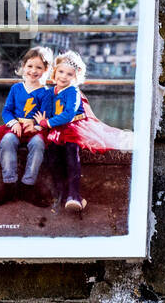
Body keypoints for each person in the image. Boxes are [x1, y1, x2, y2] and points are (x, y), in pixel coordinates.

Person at [34, 51, 128, 213]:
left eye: (69, 74)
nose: (64, 77)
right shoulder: (50, 92)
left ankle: (74, 194)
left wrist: (47, 122)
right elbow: (45, 109)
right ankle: (61, 193)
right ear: (54, 73)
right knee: (52, 155)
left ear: (75, 77)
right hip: (54, 129)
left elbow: (69, 114)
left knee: (71, 152)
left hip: (74, 126)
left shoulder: (73, 92)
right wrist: (42, 122)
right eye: (61, 72)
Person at [0, 46, 54, 208]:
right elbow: (7, 111)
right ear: (23, 67)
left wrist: (35, 125)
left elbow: (46, 115)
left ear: (46, 70)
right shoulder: (16, 88)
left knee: (38, 144)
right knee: (7, 140)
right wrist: (14, 122)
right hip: (15, 127)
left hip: (35, 129)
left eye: (38, 67)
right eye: (30, 66)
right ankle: (9, 185)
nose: (33, 71)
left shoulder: (46, 93)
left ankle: (28, 185)